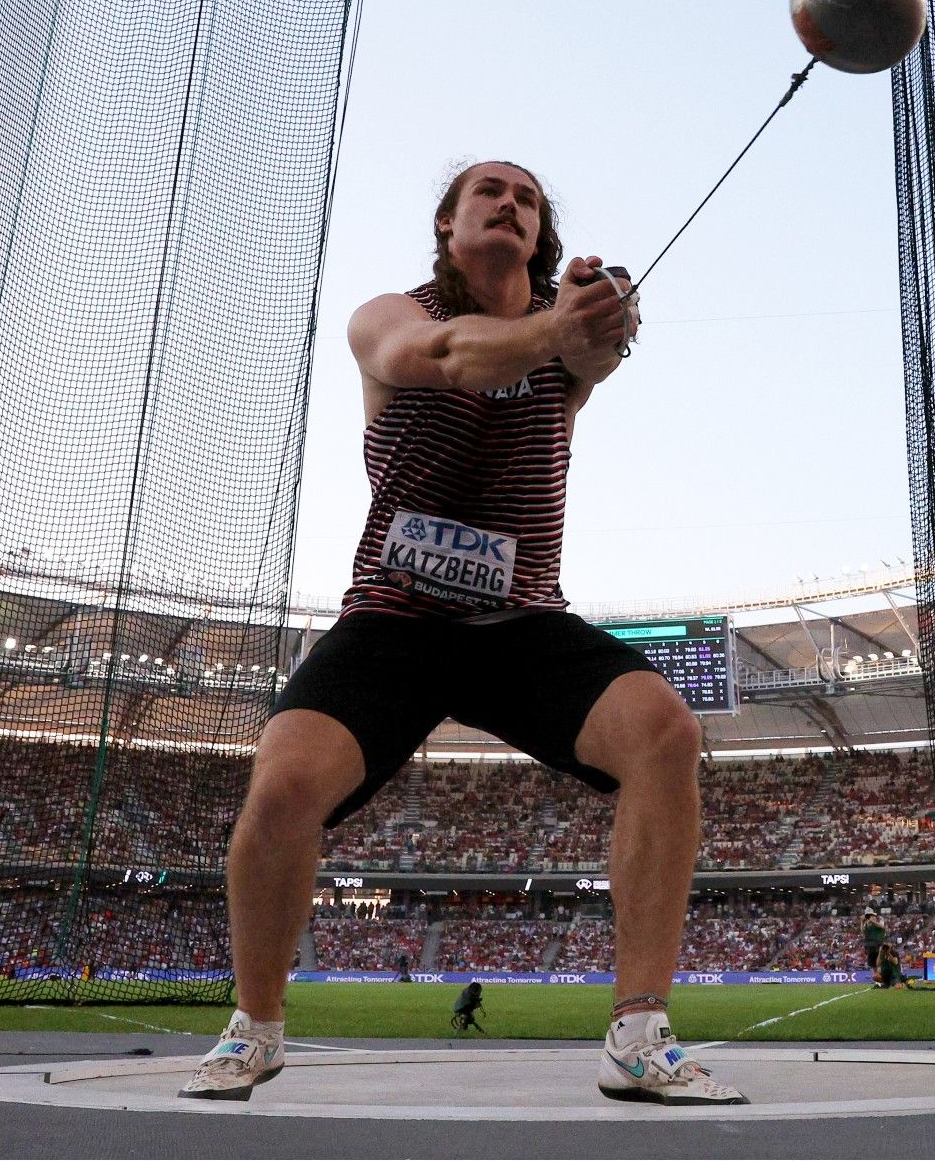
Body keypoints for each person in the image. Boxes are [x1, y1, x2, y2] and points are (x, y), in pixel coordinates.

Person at [181, 161, 746, 1106]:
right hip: (394, 619)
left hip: (521, 624)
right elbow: (444, 358)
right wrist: (562, 327)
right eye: (488, 191)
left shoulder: (563, 345)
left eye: (527, 199)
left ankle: (639, 1032)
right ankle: (256, 1027)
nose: (508, 203)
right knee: (281, 787)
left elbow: (594, 354)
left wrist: (603, 314)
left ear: (539, 237)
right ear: (447, 224)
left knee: (666, 732)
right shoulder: (389, 316)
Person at [861, 908, 886, 974]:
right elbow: (863, 931)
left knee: (879, 962)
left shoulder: (879, 919)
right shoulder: (867, 923)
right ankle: (877, 977)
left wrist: (873, 921)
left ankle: (882, 976)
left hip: (878, 944)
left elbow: (882, 926)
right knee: (873, 964)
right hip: (870, 945)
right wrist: (862, 921)